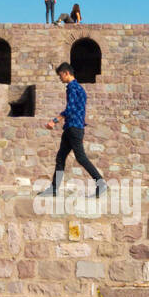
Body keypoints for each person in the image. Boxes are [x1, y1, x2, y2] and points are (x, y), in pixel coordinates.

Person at [38, 62, 106, 199]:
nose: (60, 78)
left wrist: (54, 120)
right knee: (60, 157)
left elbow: (71, 109)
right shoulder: (79, 88)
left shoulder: (72, 87)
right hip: (72, 127)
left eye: (60, 75)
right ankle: (53, 189)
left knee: (80, 157)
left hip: (73, 128)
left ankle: (101, 183)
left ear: (66, 73)